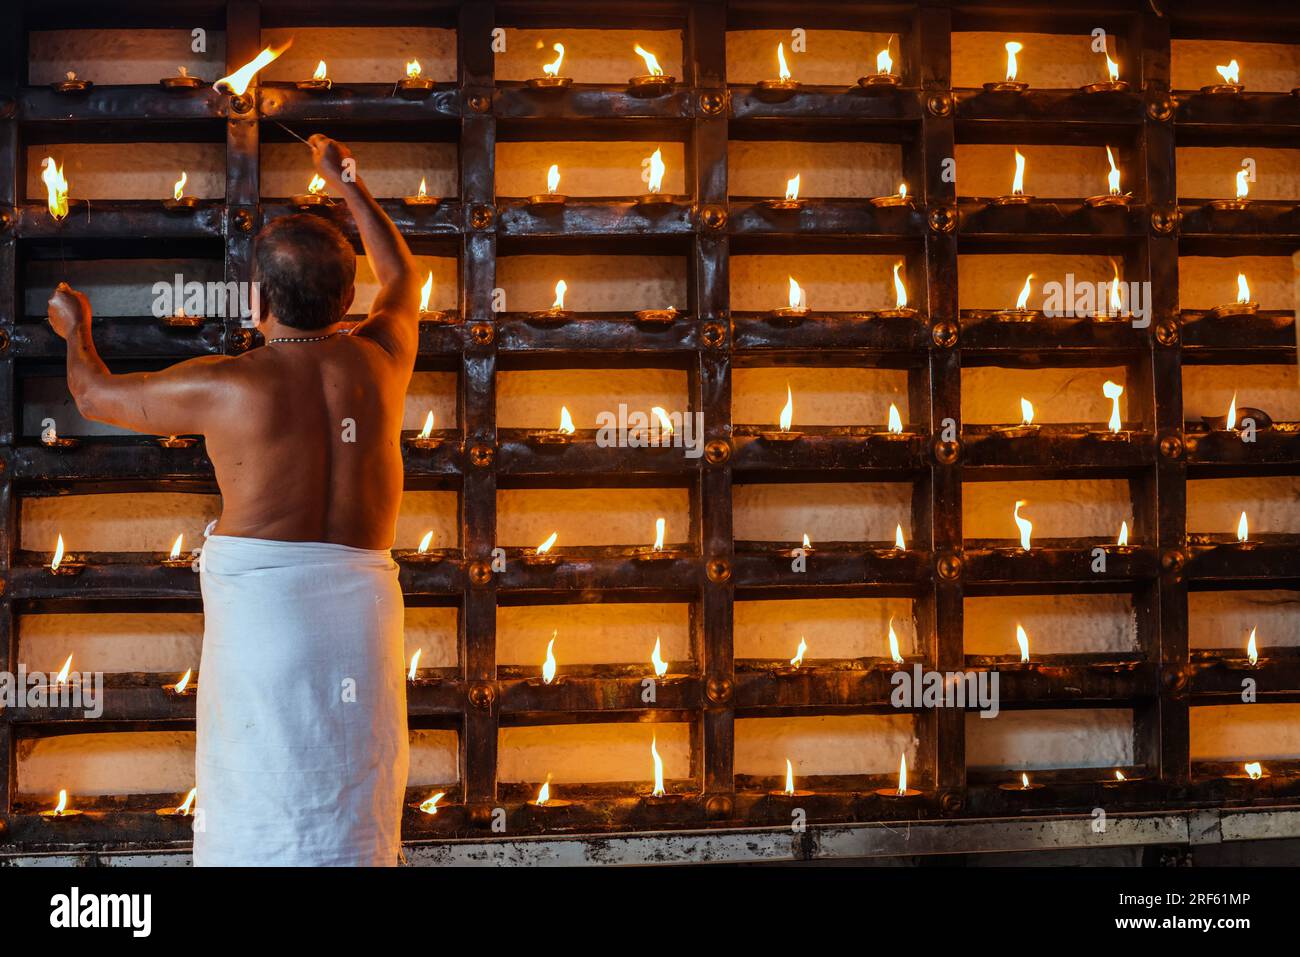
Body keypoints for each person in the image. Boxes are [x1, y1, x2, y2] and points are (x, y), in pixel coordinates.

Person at [46, 135, 421, 866]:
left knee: (261, 798)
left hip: (265, 627)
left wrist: (74, 327)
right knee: (354, 790)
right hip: (362, 623)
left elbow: (93, 393)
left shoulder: (229, 383)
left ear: (257, 300)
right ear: (348, 298)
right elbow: (403, 275)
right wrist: (347, 182)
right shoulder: (383, 360)